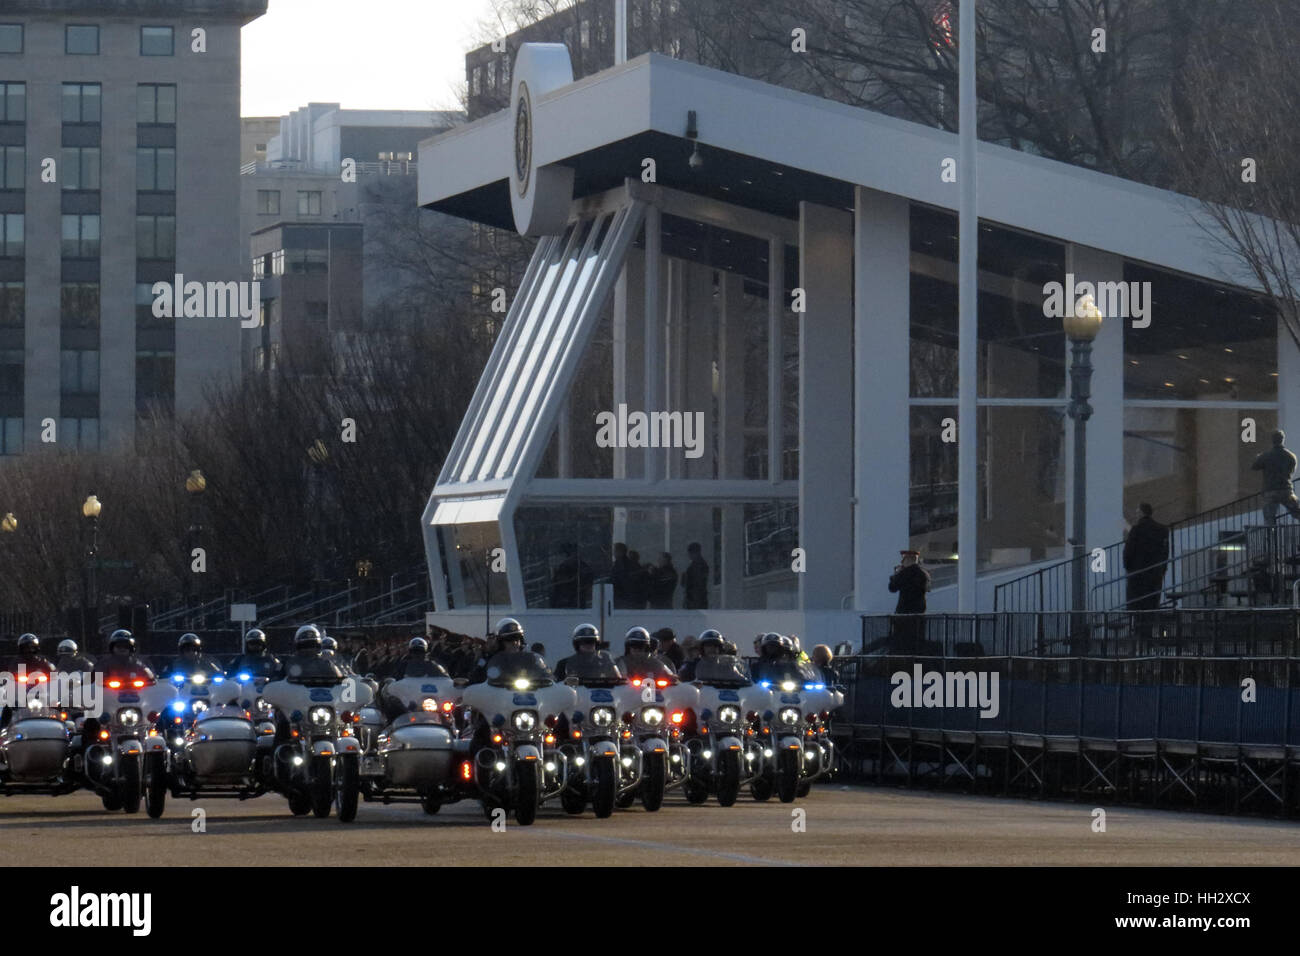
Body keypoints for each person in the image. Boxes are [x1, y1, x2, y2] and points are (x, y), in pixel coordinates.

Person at [1123, 503, 1170, 610]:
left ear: (1141, 513)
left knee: (1138, 606)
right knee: (1151, 606)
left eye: (1137, 512)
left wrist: (1128, 568)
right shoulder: (1163, 530)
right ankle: (1149, 625)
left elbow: (1128, 552)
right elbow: (1165, 552)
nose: (1135, 515)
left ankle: (1138, 626)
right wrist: (1162, 569)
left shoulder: (1136, 530)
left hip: (1138, 574)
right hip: (1155, 574)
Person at [1252, 430, 1300, 525]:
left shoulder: (1265, 456)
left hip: (1270, 491)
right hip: (1286, 489)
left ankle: (1270, 537)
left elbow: (1254, 467)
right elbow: (1292, 471)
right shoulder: (1291, 456)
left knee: (1269, 518)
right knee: (1297, 511)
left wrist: (1257, 457)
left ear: (1272, 440)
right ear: (1282, 440)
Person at [887, 550, 931, 651]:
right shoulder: (924, 573)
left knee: (902, 648)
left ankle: (905, 667)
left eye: (903, 559)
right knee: (917, 649)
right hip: (919, 615)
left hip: (904, 615)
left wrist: (895, 575)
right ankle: (917, 667)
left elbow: (892, 588)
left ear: (907, 559)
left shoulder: (905, 573)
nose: (902, 562)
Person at [550, 543, 595, 608]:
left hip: (573, 607)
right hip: (562, 607)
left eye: (562, 554)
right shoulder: (561, 568)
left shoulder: (581, 568)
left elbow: (587, 584)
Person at [681, 542, 709, 609]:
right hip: (695, 599)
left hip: (695, 600)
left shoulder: (698, 565)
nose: (689, 555)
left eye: (690, 553)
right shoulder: (698, 564)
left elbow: (696, 584)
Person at [611, 542, 635, 609]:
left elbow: (622, 580)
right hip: (623, 596)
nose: (613, 553)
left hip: (622, 597)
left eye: (614, 551)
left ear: (619, 552)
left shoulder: (622, 564)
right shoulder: (622, 563)